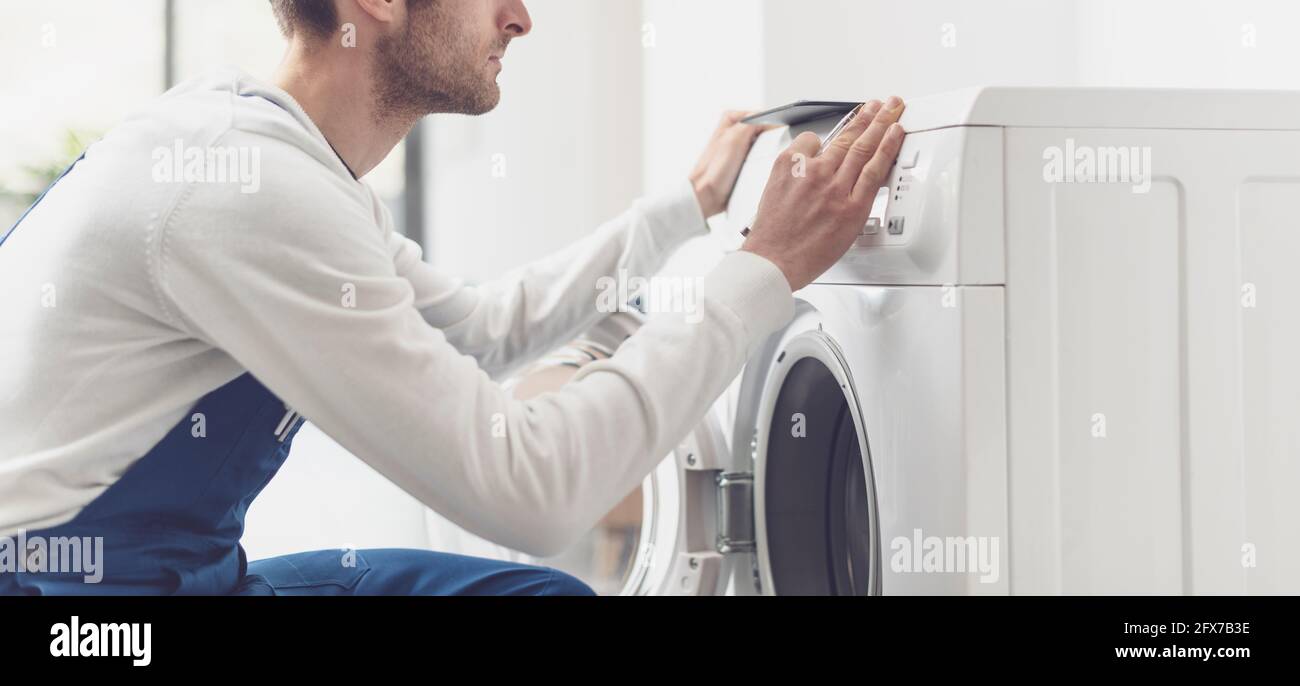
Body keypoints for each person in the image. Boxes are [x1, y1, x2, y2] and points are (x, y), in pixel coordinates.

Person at [0, 0, 906, 595]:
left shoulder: (281, 157)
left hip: (181, 574)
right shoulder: (242, 188)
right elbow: (533, 491)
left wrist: (686, 209)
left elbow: (481, 329)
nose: (520, 17)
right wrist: (762, 270)